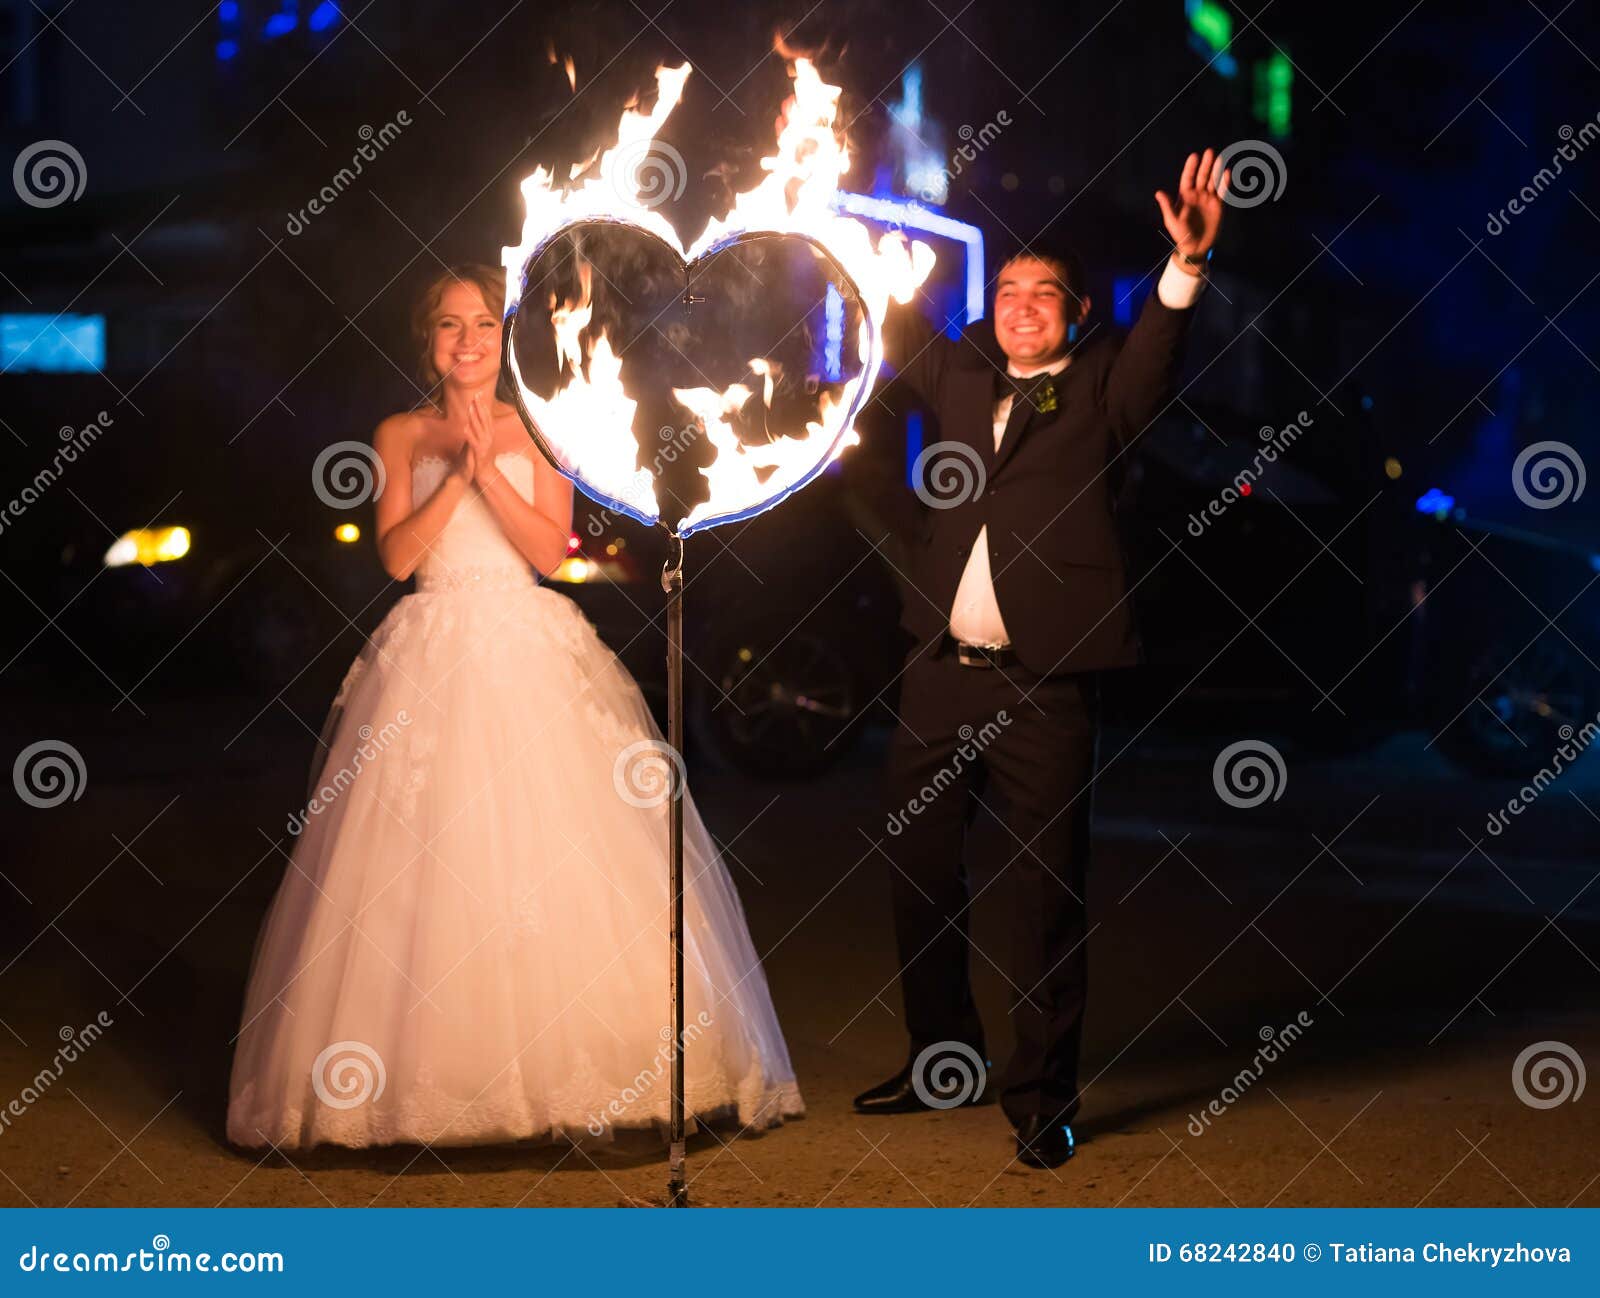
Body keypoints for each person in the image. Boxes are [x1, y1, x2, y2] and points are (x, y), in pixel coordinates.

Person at [226, 263, 803, 1150]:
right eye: (449, 326)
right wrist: (452, 475)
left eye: (484, 324)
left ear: (507, 337)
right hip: (429, 648)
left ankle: (591, 1080)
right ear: (428, 341)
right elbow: (395, 558)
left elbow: (545, 549)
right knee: (418, 853)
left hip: (529, 642)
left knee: (557, 842)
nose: (467, 341)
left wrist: (488, 468)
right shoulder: (399, 433)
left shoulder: (546, 429)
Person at [848, 151, 1230, 1169]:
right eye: (1006, 291)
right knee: (919, 875)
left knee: (1043, 895)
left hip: (1044, 683)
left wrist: (1183, 264)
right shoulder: (960, 366)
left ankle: (1043, 1097)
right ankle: (941, 1060)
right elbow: (881, 340)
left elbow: (1157, 347)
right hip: (938, 670)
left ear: (1073, 310)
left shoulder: (1107, 384)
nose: (1019, 307)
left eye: (1041, 294)